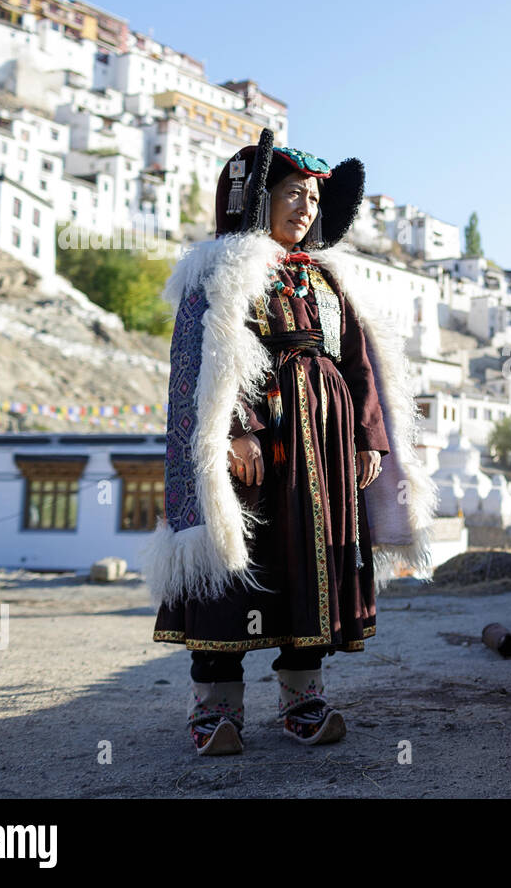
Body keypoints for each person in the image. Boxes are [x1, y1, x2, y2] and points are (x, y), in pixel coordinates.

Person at [143, 141, 437, 756]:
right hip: (258, 448)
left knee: (314, 560)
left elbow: (358, 363)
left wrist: (369, 438)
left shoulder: (329, 279)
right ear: (259, 200)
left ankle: (303, 697)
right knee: (239, 559)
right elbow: (206, 363)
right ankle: (216, 707)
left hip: (326, 448)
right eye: (292, 194)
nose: (305, 207)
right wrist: (237, 428)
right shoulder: (221, 270)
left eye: (313, 198)